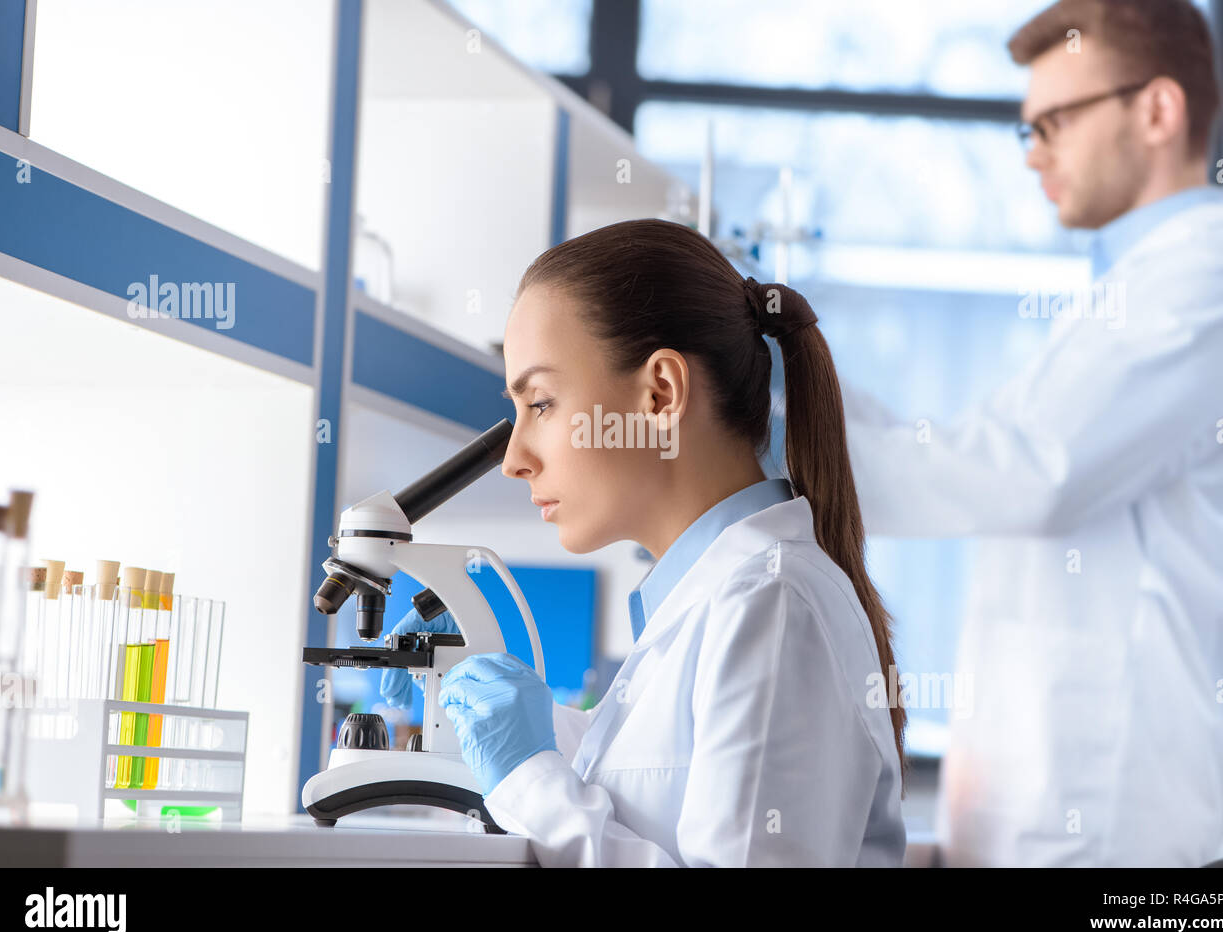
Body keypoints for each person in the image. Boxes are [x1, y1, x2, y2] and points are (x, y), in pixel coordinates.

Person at [838, 0, 1223, 865]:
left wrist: (777, 428)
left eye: (1055, 123)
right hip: (1034, 809)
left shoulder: (1205, 291)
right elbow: (975, 449)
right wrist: (799, 379)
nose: (1033, 152)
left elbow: (1023, 475)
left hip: (1109, 821)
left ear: (1157, 110)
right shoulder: (1124, 292)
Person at [382, 218, 907, 866]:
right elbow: (649, 781)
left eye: (540, 403)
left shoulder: (771, 605)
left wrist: (531, 779)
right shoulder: (721, 600)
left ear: (661, 394)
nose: (514, 457)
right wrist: (497, 716)